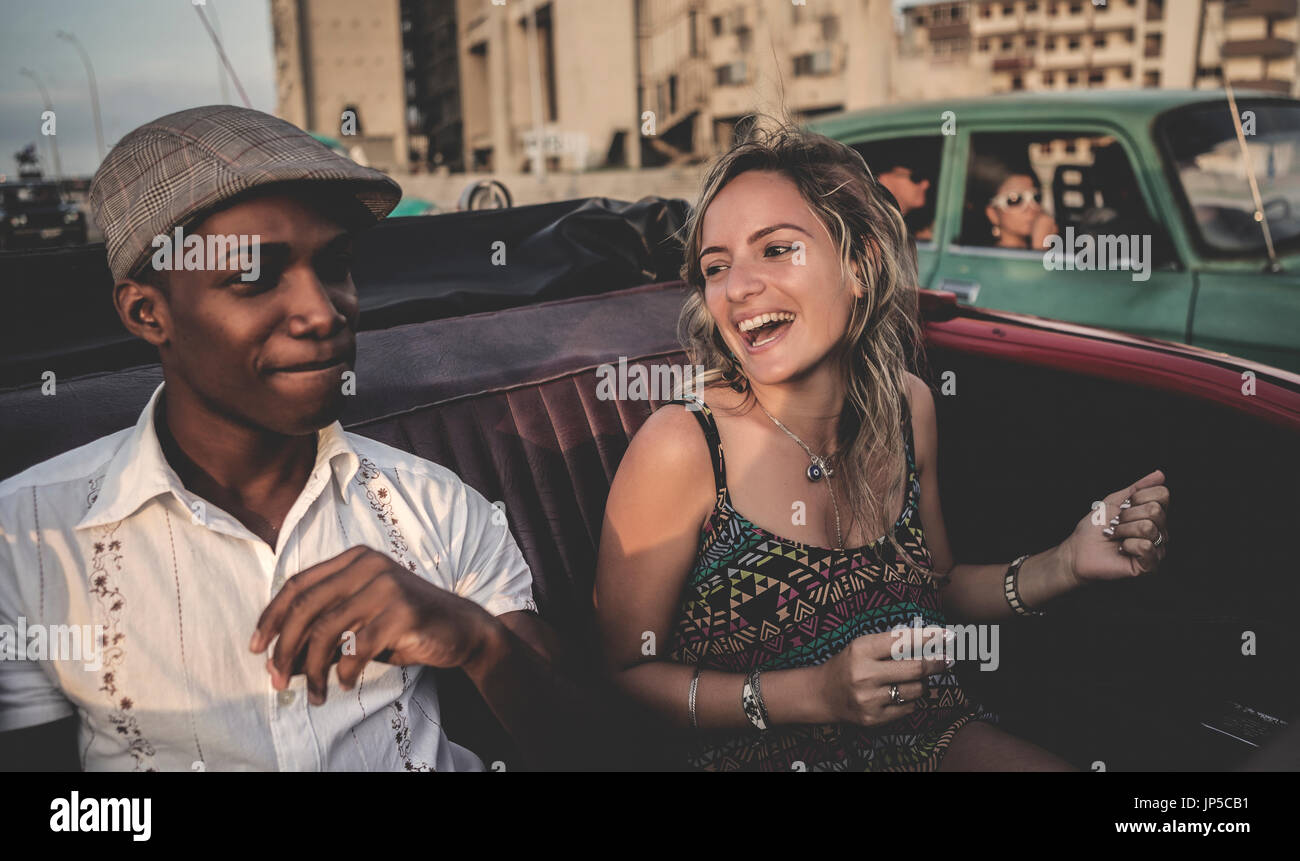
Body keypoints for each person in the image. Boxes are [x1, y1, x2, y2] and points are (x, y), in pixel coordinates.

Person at [0, 106, 623, 771]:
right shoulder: (29, 537)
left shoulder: (433, 505)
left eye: (335, 265)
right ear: (148, 312)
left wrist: (476, 642)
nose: (323, 312)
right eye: (254, 277)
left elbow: (604, 758)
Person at [593, 125, 1170, 771]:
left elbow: (935, 589)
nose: (738, 287)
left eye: (777, 249)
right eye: (716, 267)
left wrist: (1063, 563)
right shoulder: (684, 444)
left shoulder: (908, 406)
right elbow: (625, 671)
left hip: (926, 735)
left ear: (860, 264)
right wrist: (812, 694)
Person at [970, 154, 1058, 250]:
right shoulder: (988, 258)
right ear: (992, 214)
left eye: (1036, 197)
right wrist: (1040, 248)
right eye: (1015, 200)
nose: (1032, 208)